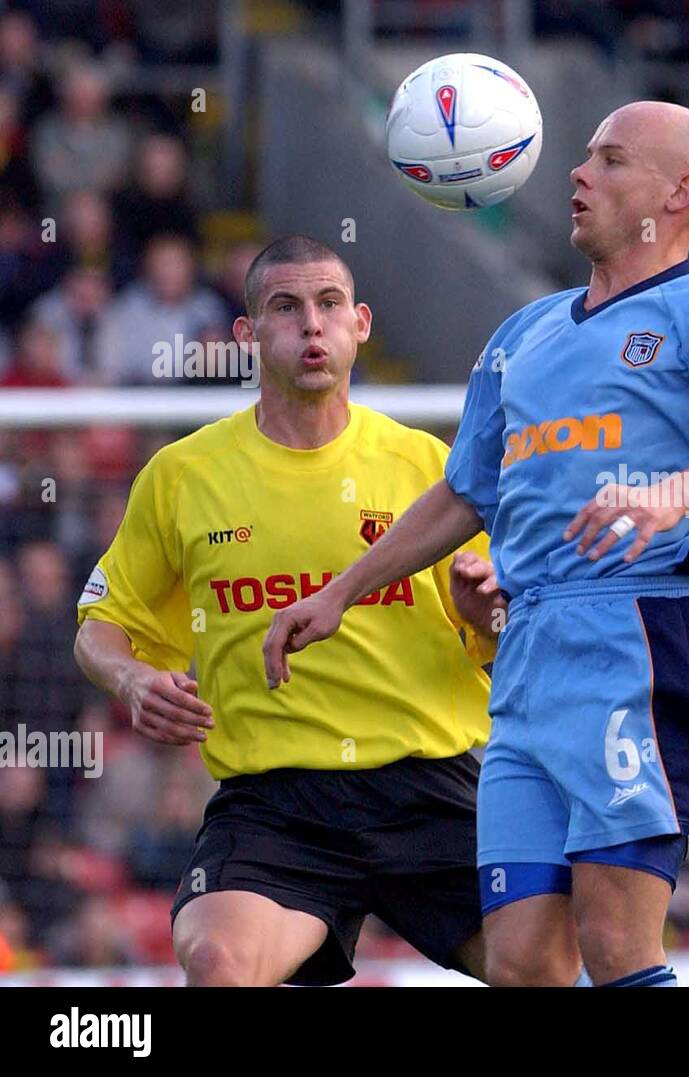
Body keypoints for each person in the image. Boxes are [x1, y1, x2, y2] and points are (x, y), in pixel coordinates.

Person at [261, 102, 689, 987]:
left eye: (610, 160)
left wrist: (676, 492)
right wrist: (339, 592)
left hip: (645, 641)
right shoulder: (524, 335)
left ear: (679, 193)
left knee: (617, 940)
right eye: (585, 158)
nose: (579, 175)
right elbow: (466, 492)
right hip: (528, 659)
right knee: (520, 963)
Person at [73, 235, 498, 986]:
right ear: (247, 335)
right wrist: (134, 680)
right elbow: (101, 627)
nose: (312, 325)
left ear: (361, 323)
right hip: (277, 804)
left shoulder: (428, 468)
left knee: (553, 966)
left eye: (330, 305)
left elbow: (508, 639)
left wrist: (487, 616)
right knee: (217, 960)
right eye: (286, 307)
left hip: (433, 788)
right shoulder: (183, 475)